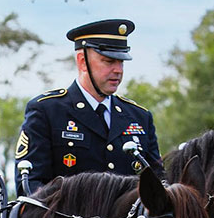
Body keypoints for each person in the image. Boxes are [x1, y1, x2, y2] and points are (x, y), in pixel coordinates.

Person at [15, 19, 161, 188]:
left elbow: (158, 184)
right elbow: (29, 186)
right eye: (108, 61)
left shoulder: (139, 117)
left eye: (121, 62)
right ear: (82, 61)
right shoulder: (47, 111)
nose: (118, 70)